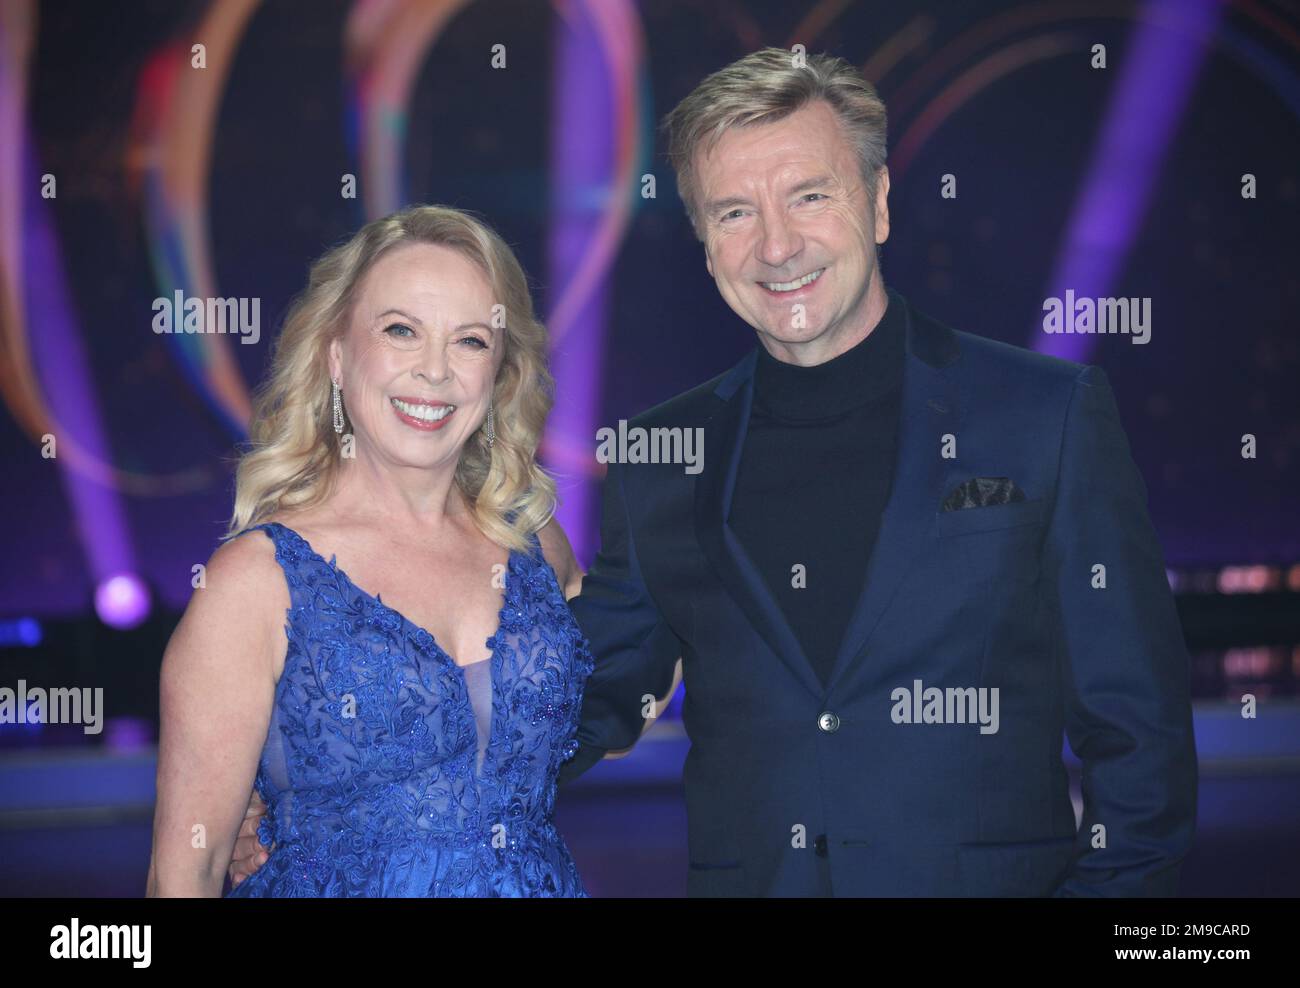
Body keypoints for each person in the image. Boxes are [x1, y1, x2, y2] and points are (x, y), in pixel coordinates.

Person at [233, 48, 1198, 897]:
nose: (776, 246)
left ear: (881, 201)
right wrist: (315, 795)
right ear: (703, 242)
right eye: (736, 211)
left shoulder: (1045, 417)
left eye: (809, 195)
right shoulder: (665, 456)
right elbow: (573, 700)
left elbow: (1140, 745)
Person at [146, 205, 593, 897]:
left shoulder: (532, 544)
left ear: (501, 370)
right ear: (336, 353)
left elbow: (621, 683)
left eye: (470, 341)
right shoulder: (257, 583)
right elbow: (187, 874)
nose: (436, 372)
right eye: (401, 331)